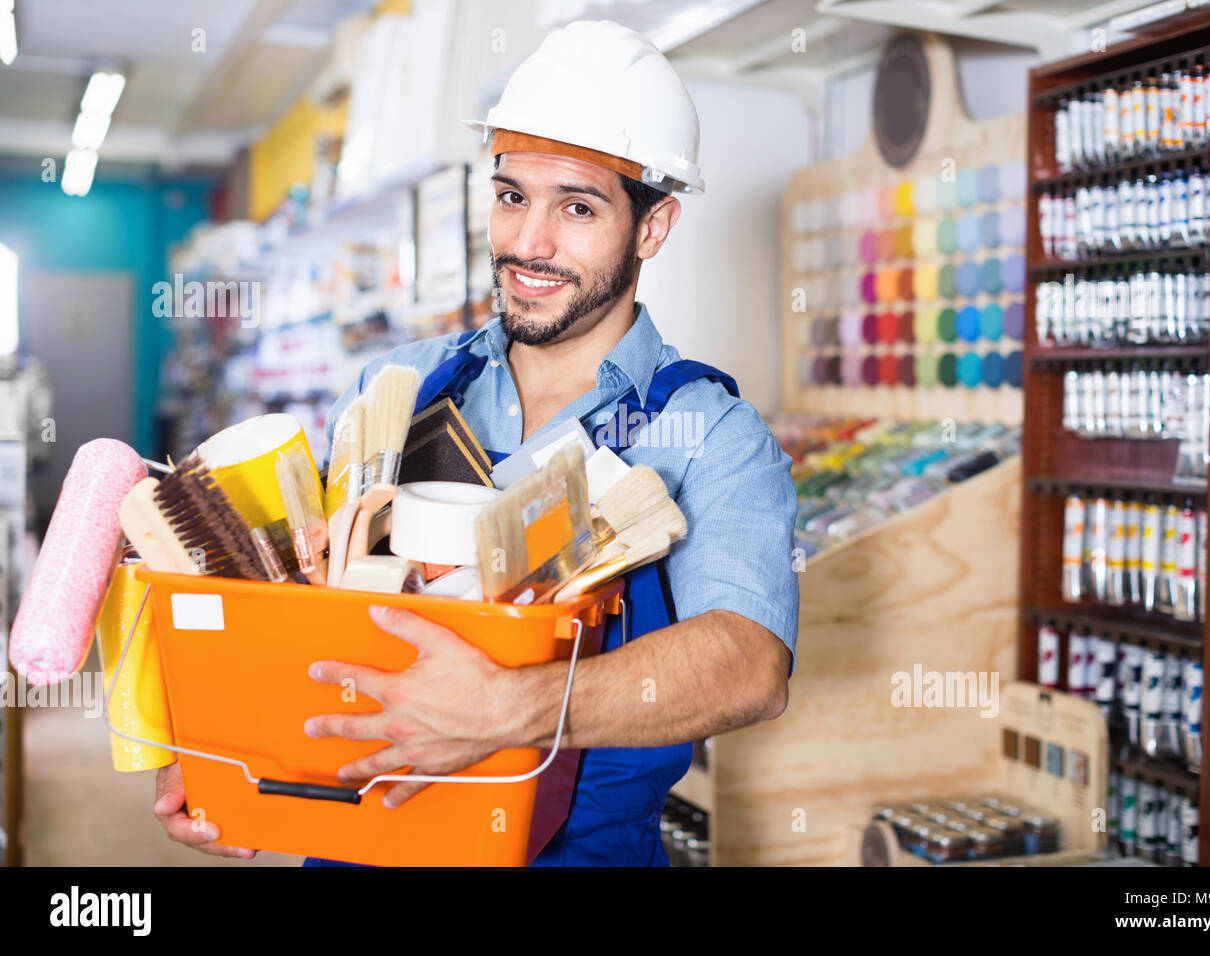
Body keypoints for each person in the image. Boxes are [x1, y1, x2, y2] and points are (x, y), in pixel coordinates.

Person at [154, 18, 798, 867]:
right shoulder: (400, 387)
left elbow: (750, 668)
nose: (529, 243)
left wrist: (515, 706)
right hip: (357, 846)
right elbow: (292, 600)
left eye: (577, 206)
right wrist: (219, 751)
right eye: (510, 195)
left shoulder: (711, 437)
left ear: (652, 227)